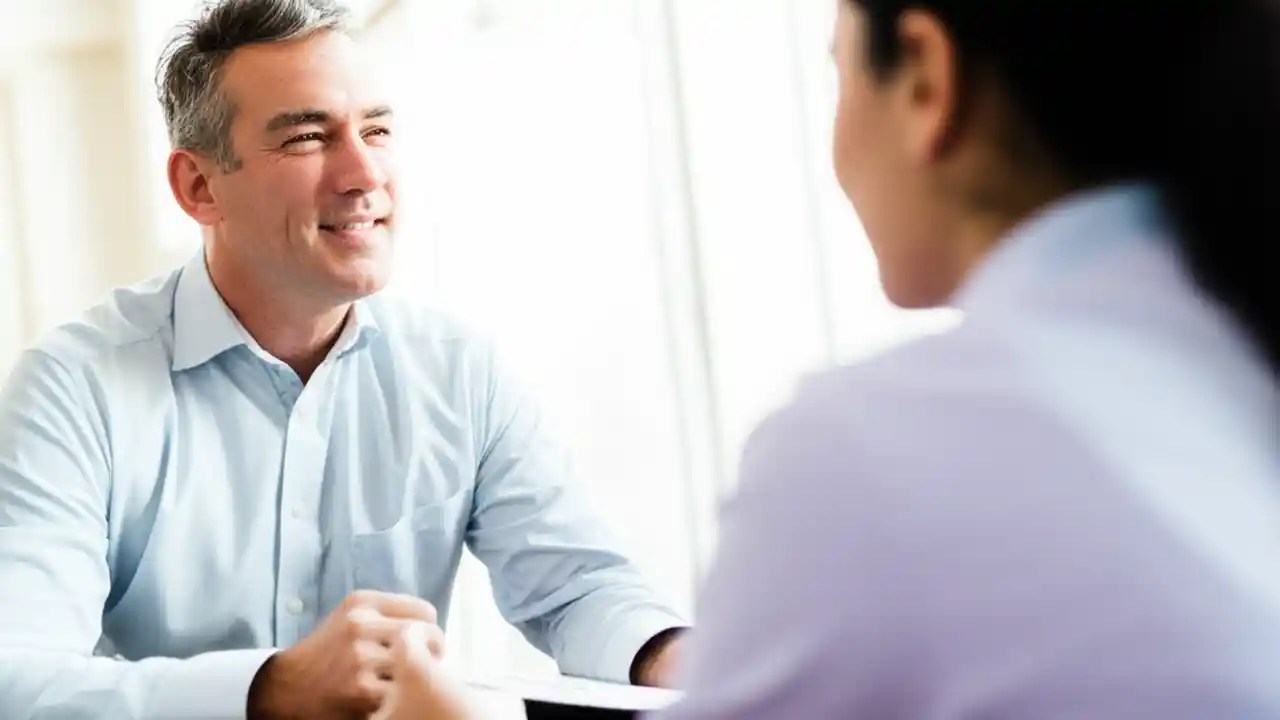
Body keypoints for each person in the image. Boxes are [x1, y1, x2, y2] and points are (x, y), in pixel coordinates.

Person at [376, 0, 1280, 717]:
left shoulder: (886, 448)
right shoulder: (1219, 361)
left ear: (924, 76)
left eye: (838, 73)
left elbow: (575, 579)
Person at [0, 1, 687, 718]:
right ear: (199, 187)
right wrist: (267, 688)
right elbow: (15, 678)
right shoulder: (76, 389)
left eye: (377, 130)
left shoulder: (458, 373)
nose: (364, 174)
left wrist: (680, 658)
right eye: (306, 137)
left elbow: (578, 591)